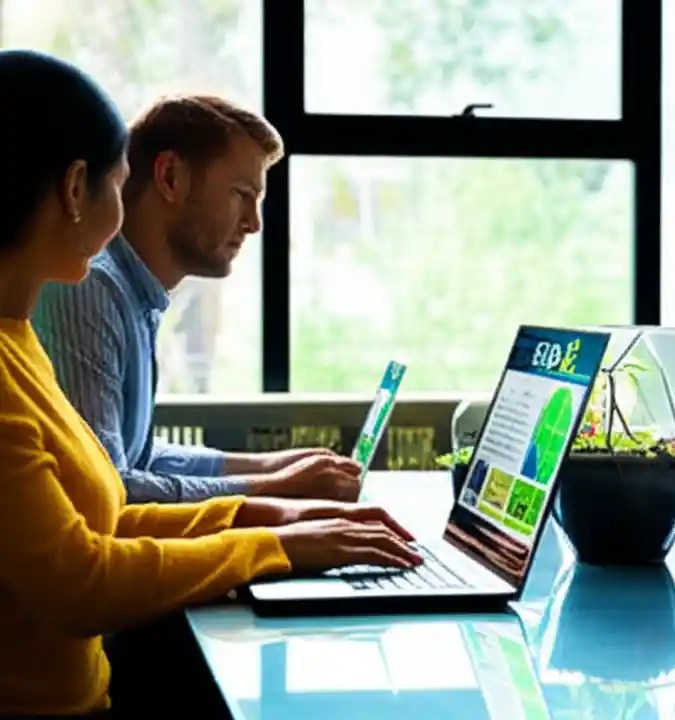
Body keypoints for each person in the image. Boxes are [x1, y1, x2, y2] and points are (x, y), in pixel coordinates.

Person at [0, 49, 422, 718]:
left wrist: (273, 512)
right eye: (117, 180)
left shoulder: (18, 336)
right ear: (75, 191)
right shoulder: (73, 302)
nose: (253, 224)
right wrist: (273, 541)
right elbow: (78, 578)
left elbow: (102, 503)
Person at [32, 93, 360, 504]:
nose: (254, 223)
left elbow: (141, 455)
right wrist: (275, 488)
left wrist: (274, 466)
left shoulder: (136, 295)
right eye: (242, 194)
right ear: (170, 177)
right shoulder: (91, 288)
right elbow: (111, 489)